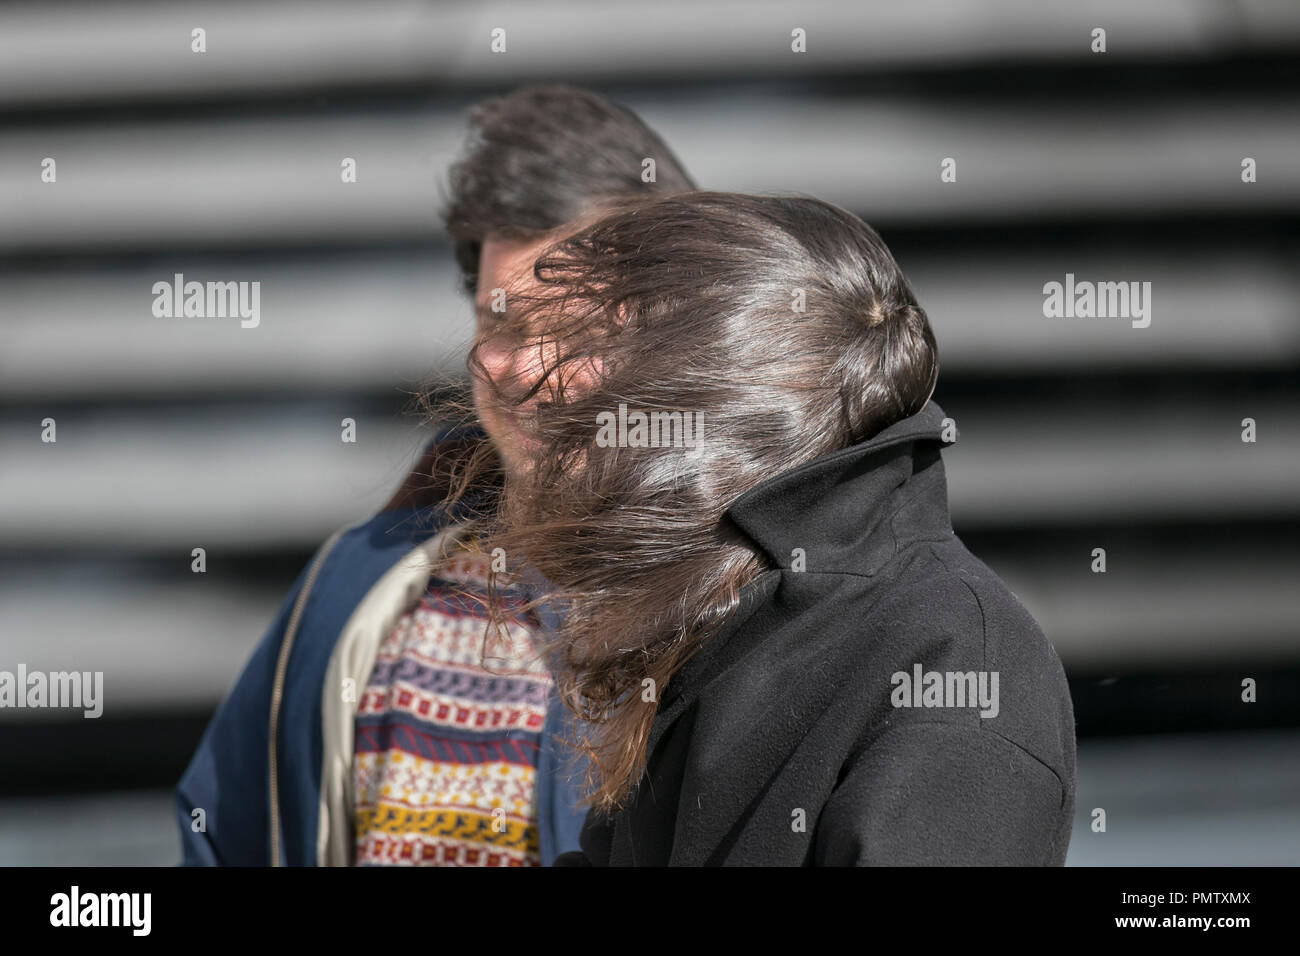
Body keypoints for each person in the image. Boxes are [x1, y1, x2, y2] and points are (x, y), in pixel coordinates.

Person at [453, 191, 1078, 865]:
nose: (506, 366)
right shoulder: (722, 616)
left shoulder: (955, 659)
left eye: (605, 339)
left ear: (722, 398)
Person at [173, 85, 697, 866]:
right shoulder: (356, 589)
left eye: (578, 328)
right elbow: (221, 835)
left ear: (680, 328)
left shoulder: (740, 593)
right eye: (501, 320)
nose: (525, 369)